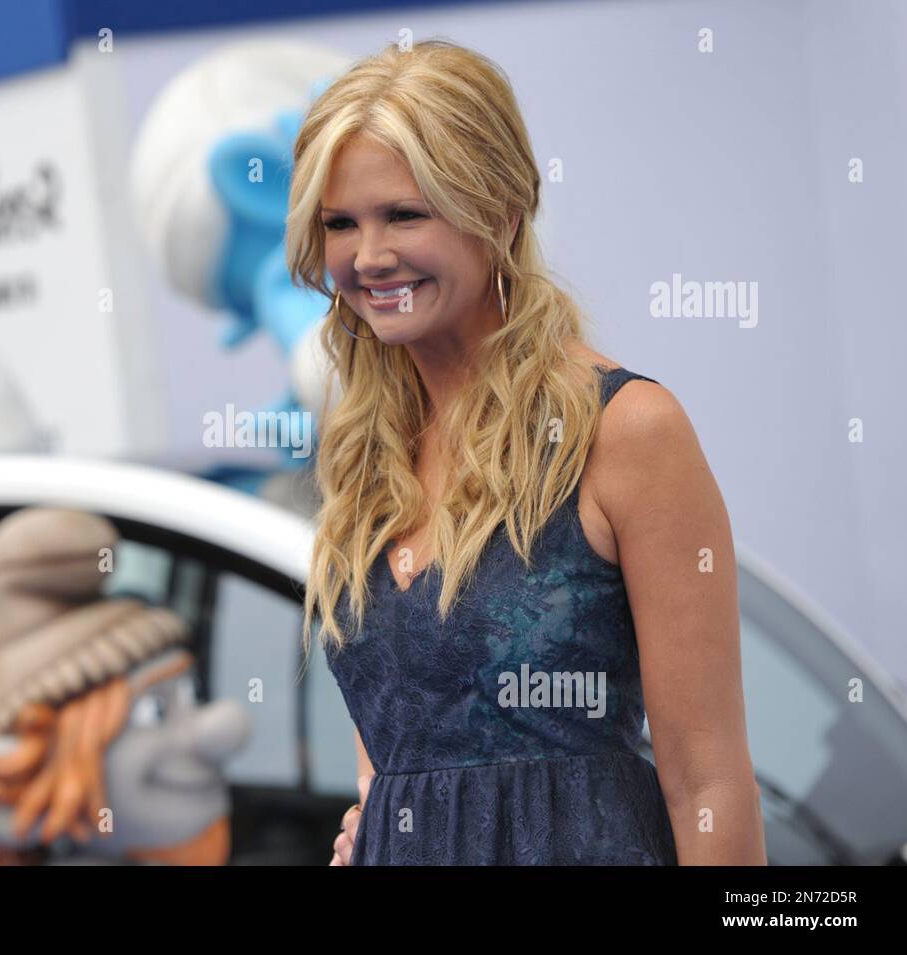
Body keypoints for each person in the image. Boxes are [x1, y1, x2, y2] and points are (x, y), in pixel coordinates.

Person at [288, 39, 766, 865]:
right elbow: (395, 750)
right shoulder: (365, 449)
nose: (369, 256)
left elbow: (709, 784)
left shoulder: (625, 430)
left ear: (501, 211)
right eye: (341, 223)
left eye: (405, 214)